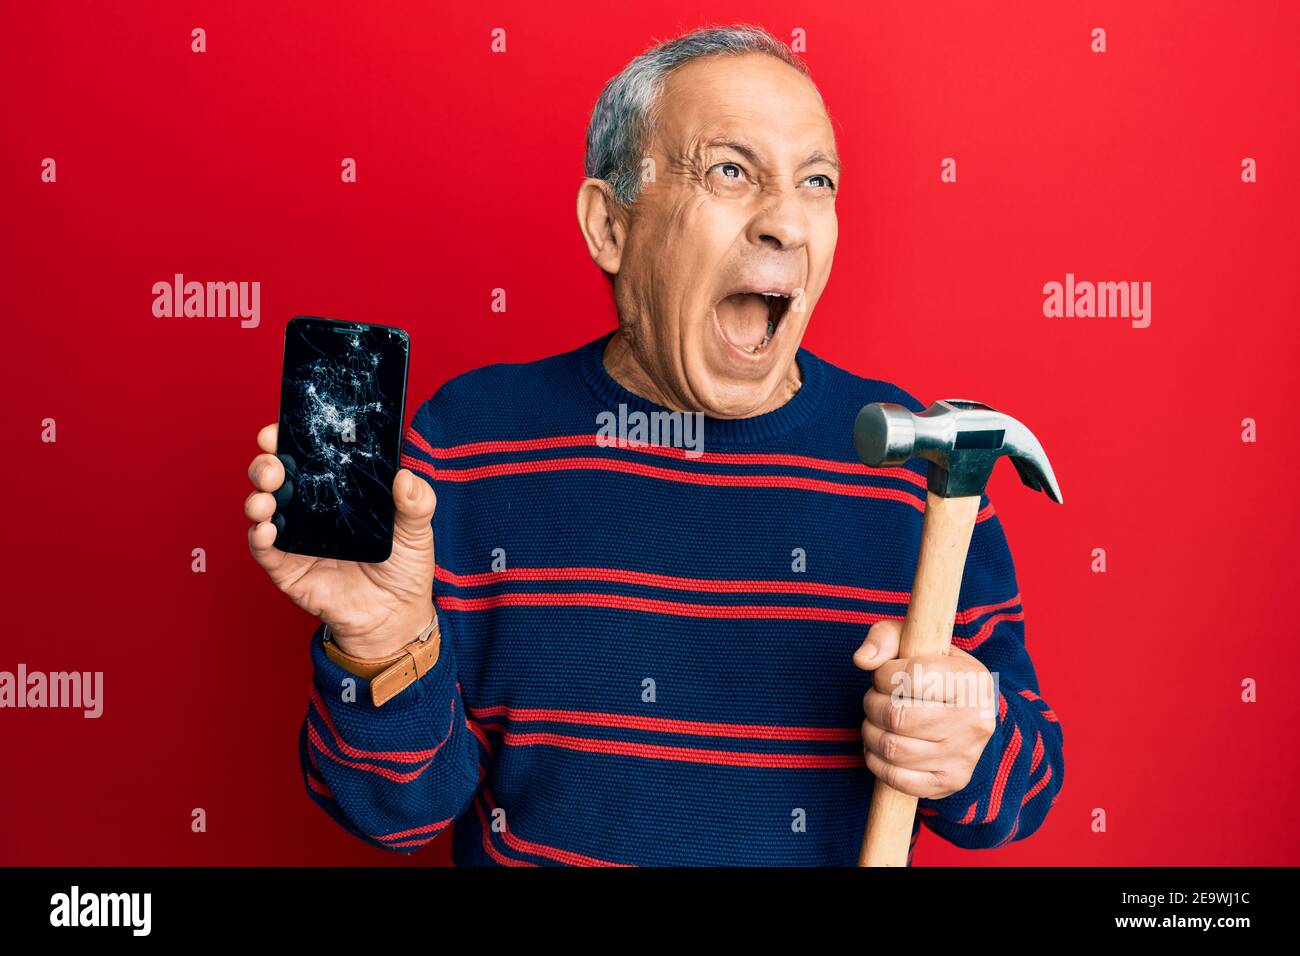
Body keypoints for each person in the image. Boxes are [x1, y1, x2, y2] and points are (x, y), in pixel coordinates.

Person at [244, 24, 1063, 865]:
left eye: (816, 181)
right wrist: (381, 643)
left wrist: (970, 739)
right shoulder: (470, 445)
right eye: (730, 171)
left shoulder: (921, 476)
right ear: (609, 225)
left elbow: (1024, 791)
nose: (787, 221)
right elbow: (396, 816)